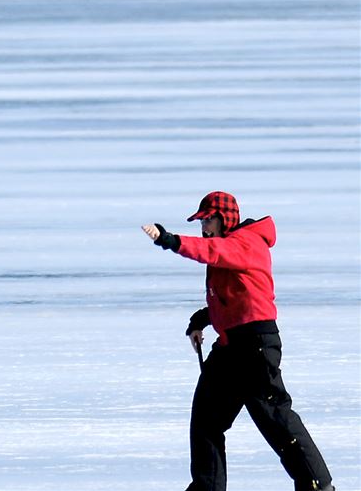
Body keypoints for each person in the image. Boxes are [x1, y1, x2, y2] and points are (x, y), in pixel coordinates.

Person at [141, 190, 334, 491]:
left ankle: (317, 486)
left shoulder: (244, 243)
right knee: (206, 420)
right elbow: (237, 298)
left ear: (224, 219)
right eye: (201, 222)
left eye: (207, 221)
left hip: (255, 347)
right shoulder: (231, 246)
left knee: (275, 419)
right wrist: (202, 319)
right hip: (231, 346)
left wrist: (170, 240)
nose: (204, 228)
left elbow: (213, 252)